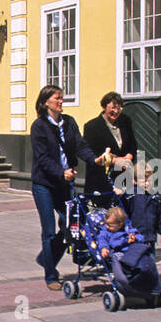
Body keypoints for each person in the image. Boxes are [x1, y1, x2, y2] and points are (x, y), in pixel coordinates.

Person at [29, 84, 97, 290]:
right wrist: (61, 171)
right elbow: (42, 158)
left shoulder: (69, 122)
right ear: (45, 102)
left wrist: (95, 160)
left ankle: (45, 257)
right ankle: (51, 275)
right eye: (56, 98)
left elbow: (80, 146)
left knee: (71, 225)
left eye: (61, 98)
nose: (60, 102)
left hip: (64, 183)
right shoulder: (39, 126)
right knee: (49, 230)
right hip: (44, 184)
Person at [82, 91, 138, 196]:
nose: (116, 111)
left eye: (119, 108)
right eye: (113, 107)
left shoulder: (125, 121)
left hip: (123, 177)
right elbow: (92, 153)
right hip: (102, 179)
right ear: (104, 106)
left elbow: (133, 145)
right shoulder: (92, 126)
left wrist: (128, 157)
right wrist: (115, 160)